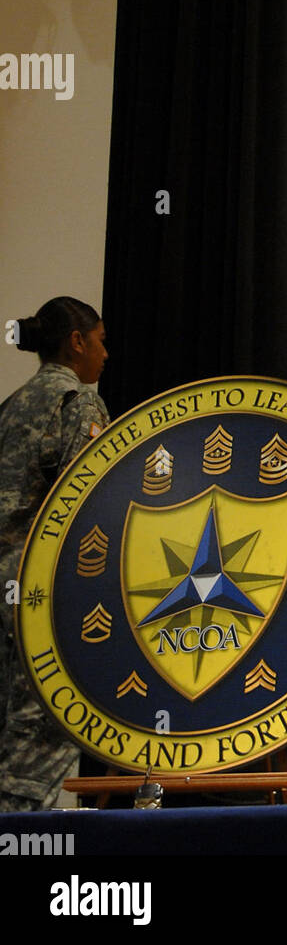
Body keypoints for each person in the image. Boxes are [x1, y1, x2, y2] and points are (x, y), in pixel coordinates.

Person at [0, 296, 109, 811]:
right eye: (102, 341)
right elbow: (85, 506)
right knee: (41, 732)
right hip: (36, 592)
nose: (106, 355)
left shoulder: (13, 403)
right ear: (77, 342)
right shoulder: (79, 402)